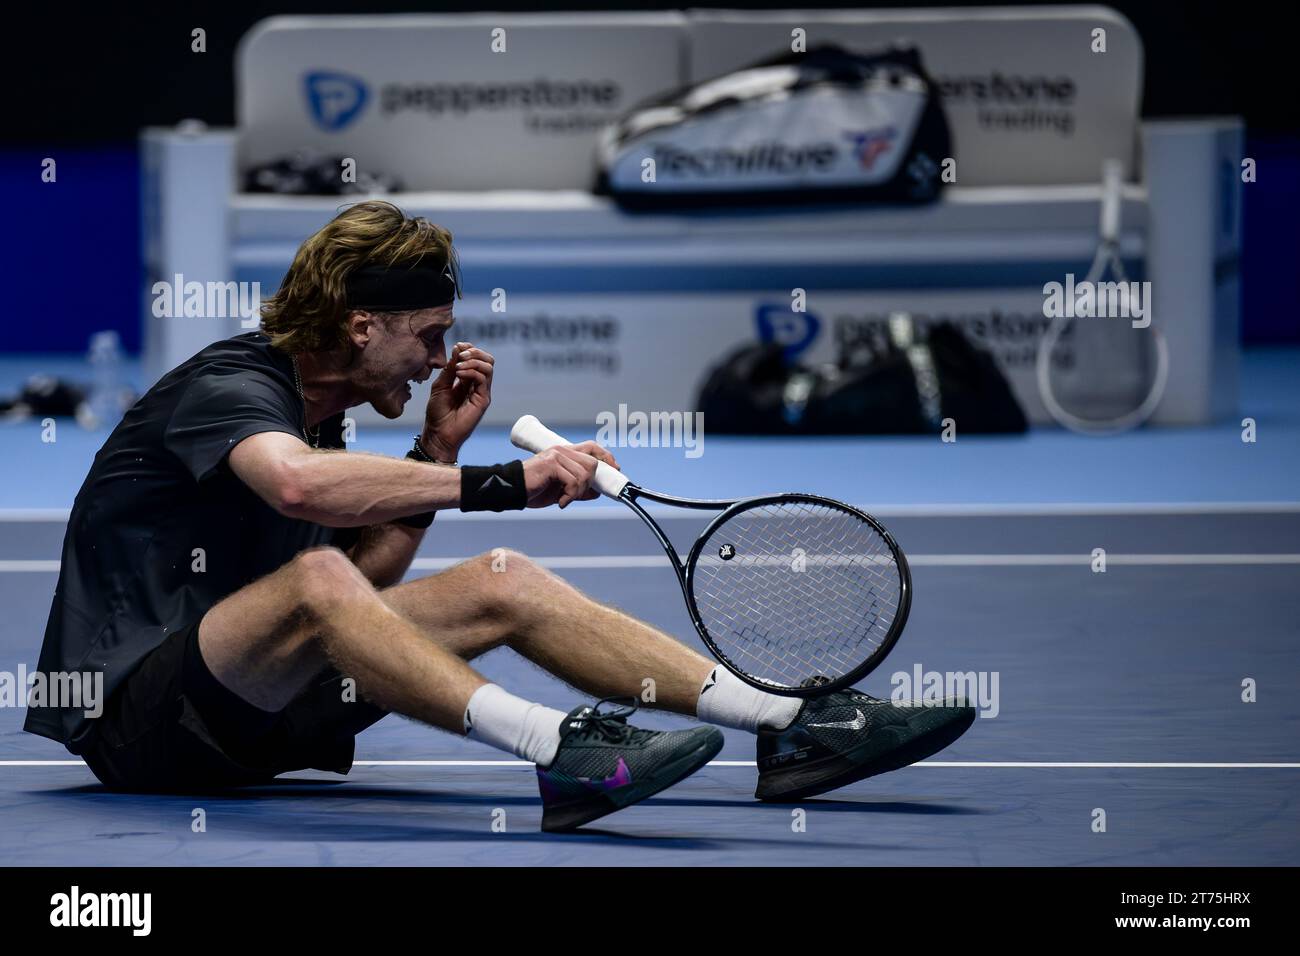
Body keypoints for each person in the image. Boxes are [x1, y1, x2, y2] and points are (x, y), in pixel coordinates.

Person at [25, 201, 974, 832]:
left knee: (502, 578)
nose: (442, 360)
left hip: (249, 714)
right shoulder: (231, 387)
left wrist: (438, 453)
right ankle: (560, 751)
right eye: (429, 337)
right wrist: (499, 481)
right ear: (363, 325)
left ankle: (789, 725)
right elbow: (301, 494)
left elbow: (355, 596)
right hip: (143, 722)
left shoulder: (327, 417)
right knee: (317, 575)